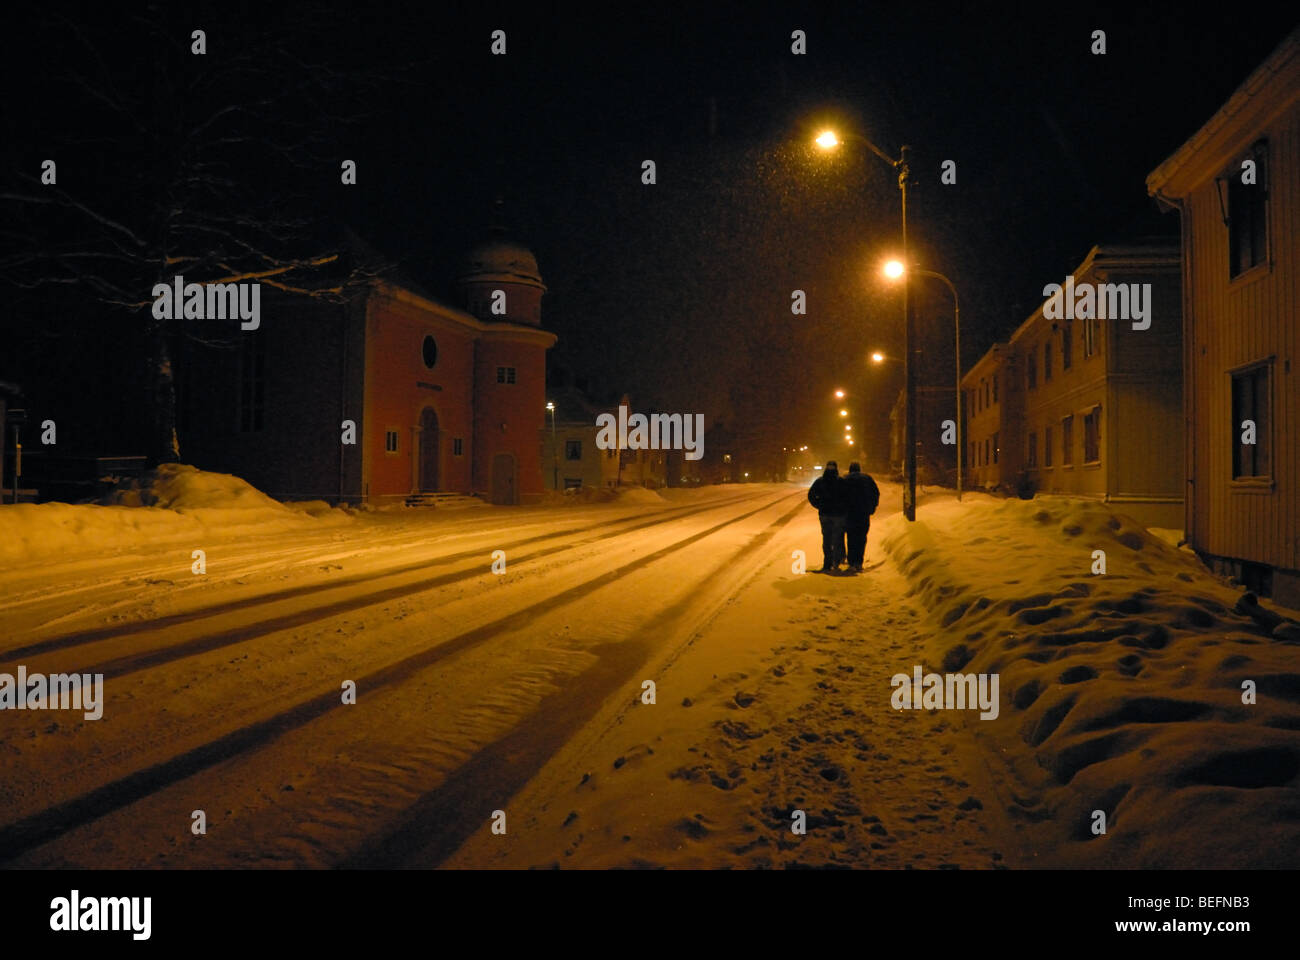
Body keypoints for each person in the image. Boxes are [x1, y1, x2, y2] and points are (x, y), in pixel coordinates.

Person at [807, 460, 848, 573]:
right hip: (838, 515)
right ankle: (836, 562)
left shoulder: (820, 481)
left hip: (825, 514)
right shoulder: (841, 482)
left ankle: (827, 563)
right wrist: (843, 507)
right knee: (837, 539)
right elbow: (848, 497)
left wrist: (819, 505)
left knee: (827, 539)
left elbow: (811, 495)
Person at [842, 461, 880, 572]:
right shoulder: (867, 479)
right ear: (859, 469)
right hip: (863, 513)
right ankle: (859, 561)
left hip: (849, 513)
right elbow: (875, 494)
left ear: (850, 469)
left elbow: (841, 495)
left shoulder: (845, 479)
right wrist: (872, 508)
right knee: (861, 537)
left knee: (851, 537)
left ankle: (852, 562)